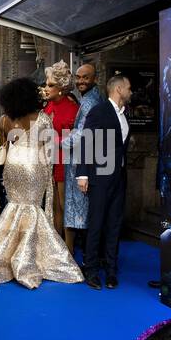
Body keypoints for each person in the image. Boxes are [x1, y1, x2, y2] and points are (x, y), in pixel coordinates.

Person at [0, 78, 83, 290]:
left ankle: (3, 256)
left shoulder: (5, 120)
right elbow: (47, 151)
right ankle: (28, 258)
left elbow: (6, 145)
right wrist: (48, 175)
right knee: (32, 209)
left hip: (13, 166)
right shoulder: (43, 119)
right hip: (33, 166)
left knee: (14, 207)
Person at [77, 74, 132, 290]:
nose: (131, 91)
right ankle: (91, 270)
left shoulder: (125, 114)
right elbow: (86, 141)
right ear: (118, 89)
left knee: (114, 224)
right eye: (128, 87)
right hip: (99, 177)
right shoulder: (99, 111)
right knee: (96, 224)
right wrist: (83, 174)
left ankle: (111, 270)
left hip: (119, 178)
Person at [62, 61, 99, 255]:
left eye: (85, 77)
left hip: (82, 164)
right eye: (78, 77)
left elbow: (83, 133)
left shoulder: (89, 101)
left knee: (81, 211)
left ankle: (86, 258)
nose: (80, 81)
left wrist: (60, 142)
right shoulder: (87, 98)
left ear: (95, 79)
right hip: (83, 162)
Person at [40, 60, 79, 240]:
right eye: (46, 84)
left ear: (61, 87)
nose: (46, 88)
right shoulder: (48, 107)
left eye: (50, 85)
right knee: (53, 206)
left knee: (66, 207)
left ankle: (69, 250)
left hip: (66, 163)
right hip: (50, 162)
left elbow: (76, 140)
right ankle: (57, 247)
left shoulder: (72, 109)